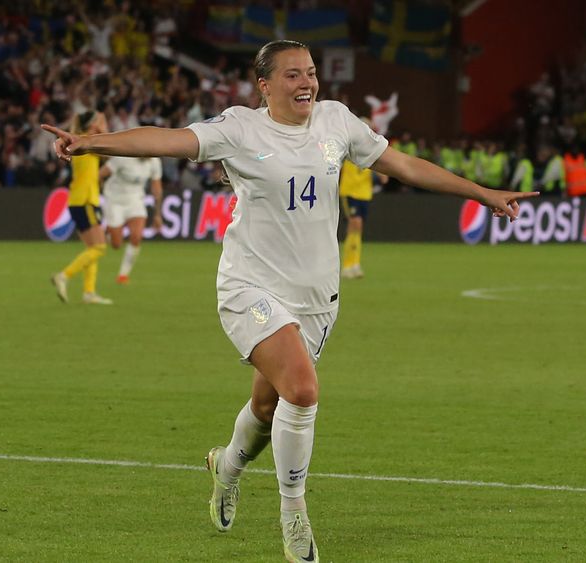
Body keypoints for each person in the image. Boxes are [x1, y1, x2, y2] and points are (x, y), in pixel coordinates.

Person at [42, 39, 537, 562]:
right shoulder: (239, 128)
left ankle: (227, 466)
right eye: (293, 74)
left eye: (311, 72)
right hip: (250, 285)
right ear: (265, 85)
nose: (307, 82)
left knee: (267, 403)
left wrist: (483, 193)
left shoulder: (337, 122)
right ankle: (294, 513)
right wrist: (92, 143)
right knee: (302, 390)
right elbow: (166, 141)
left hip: (317, 297)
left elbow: (406, 165)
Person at [50, 110, 113, 305]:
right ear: (93, 125)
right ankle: (64, 275)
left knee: (91, 248)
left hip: (77, 200)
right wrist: (104, 131)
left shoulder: (81, 142)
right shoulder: (88, 142)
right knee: (100, 247)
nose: (104, 124)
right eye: (101, 121)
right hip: (86, 200)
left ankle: (89, 292)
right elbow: (111, 147)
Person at [99, 156, 164, 284]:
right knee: (116, 245)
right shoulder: (122, 158)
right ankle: (109, 232)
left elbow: (156, 189)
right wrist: (101, 194)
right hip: (114, 201)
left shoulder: (155, 162)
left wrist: (157, 214)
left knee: (137, 236)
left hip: (136, 200)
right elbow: (100, 174)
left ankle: (123, 275)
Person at [339, 117, 386, 280]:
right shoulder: (347, 144)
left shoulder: (371, 149)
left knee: (358, 228)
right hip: (349, 191)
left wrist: (381, 173)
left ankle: (355, 264)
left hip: (364, 193)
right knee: (355, 223)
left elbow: (384, 175)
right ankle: (347, 265)